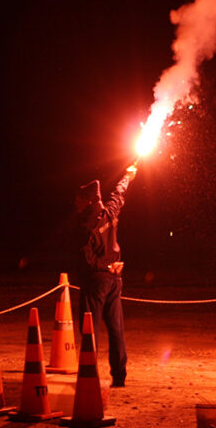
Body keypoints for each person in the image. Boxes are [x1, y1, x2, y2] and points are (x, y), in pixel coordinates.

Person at [74, 165, 136, 387]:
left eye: (79, 199)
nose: (76, 203)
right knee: (116, 329)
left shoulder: (85, 225)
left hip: (98, 280)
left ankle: (89, 375)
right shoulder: (110, 211)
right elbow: (119, 194)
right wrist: (128, 175)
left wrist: (105, 265)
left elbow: (87, 260)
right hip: (115, 279)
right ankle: (119, 376)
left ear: (89, 201)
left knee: (90, 330)